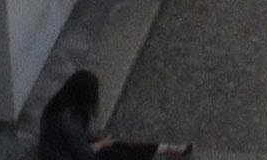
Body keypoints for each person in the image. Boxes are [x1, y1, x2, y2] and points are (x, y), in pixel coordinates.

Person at [38, 68, 190, 160]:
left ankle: (167, 149)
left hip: (61, 151)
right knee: (115, 152)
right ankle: (168, 149)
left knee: (118, 146)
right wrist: (100, 144)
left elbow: (78, 139)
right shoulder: (69, 120)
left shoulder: (61, 105)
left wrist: (97, 140)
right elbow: (85, 155)